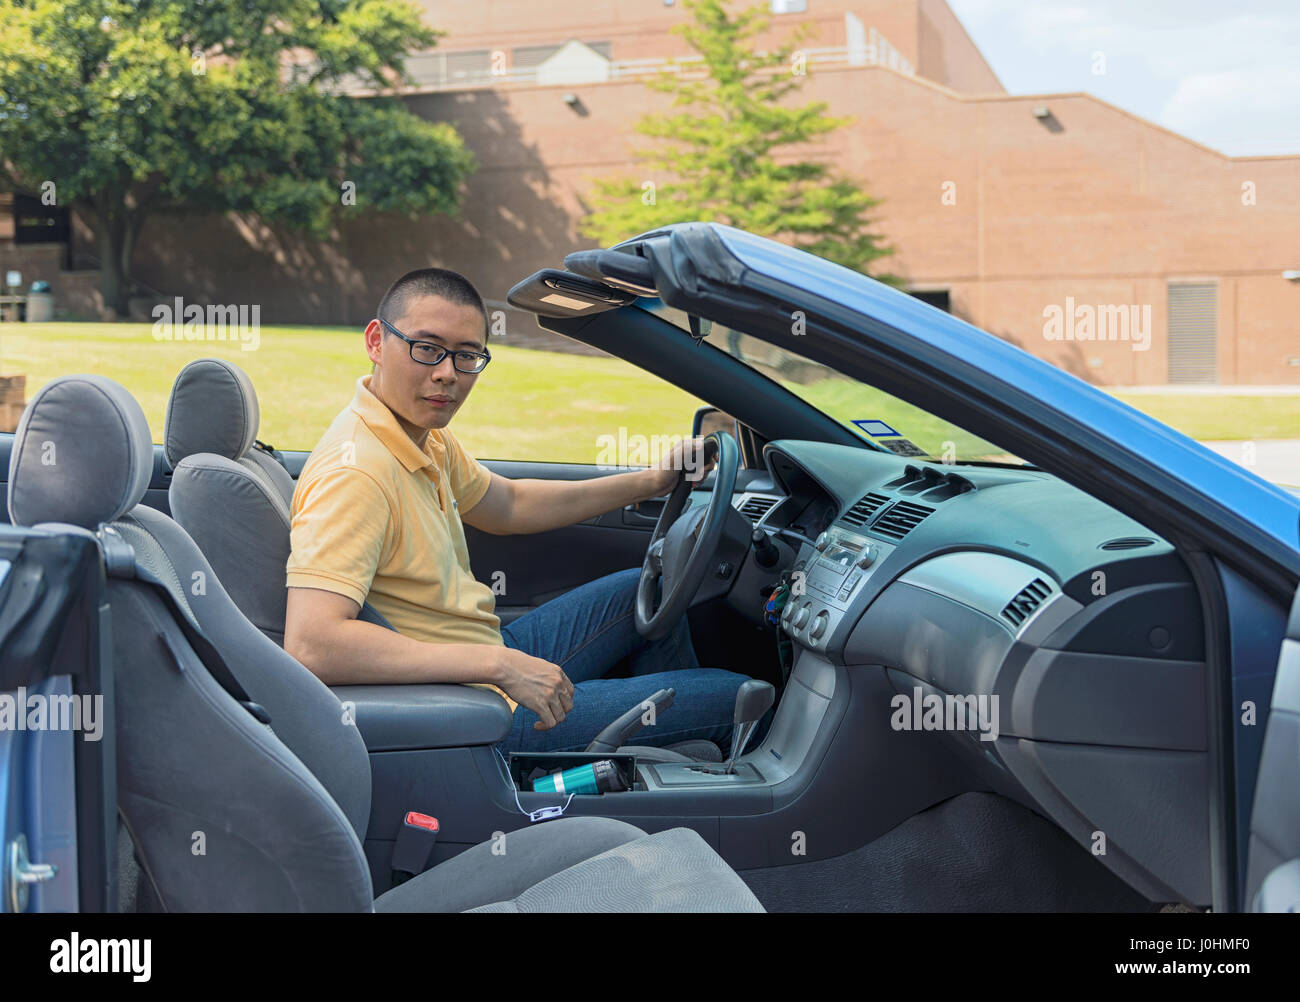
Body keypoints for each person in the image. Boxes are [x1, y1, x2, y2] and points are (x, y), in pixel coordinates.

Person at [284, 267, 758, 755]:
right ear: (377, 341)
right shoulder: (356, 472)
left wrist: (652, 481)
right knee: (740, 698)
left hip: (484, 653)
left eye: (466, 355)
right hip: (470, 711)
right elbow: (313, 645)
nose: (447, 372)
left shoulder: (420, 435)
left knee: (647, 589)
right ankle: (674, 746)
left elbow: (508, 504)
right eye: (427, 349)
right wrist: (498, 667)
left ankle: (656, 762)